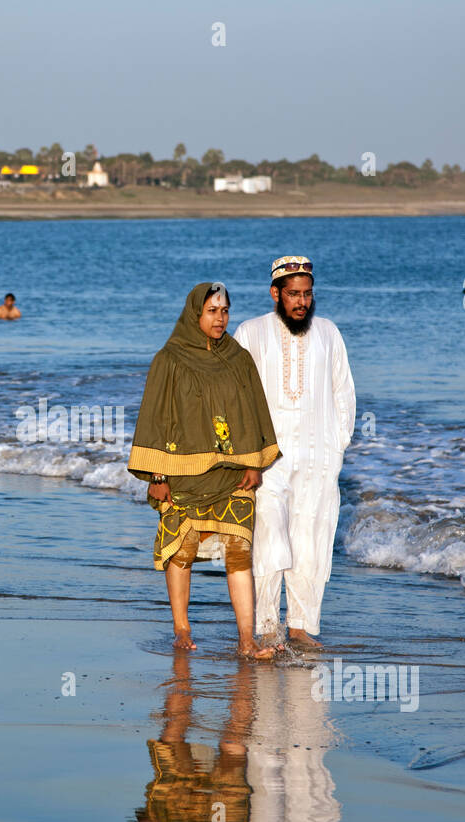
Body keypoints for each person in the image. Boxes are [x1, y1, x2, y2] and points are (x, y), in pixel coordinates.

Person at [128, 282, 281, 659]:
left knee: (239, 551)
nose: (220, 318)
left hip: (233, 474)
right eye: (212, 311)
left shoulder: (237, 357)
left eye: (225, 311)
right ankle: (181, 628)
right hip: (182, 473)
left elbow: (254, 410)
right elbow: (156, 417)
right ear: (195, 313)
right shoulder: (170, 359)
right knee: (182, 551)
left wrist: (254, 463)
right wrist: (158, 476)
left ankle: (246, 641)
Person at [232, 255, 356, 650]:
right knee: (269, 538)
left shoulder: (328, 333)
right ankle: (268, 626)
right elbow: (236, 395)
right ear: (275, 294)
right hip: (268, 457)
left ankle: (301, 625)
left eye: (307, 294)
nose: (301, 302)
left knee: (312, 538)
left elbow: (344, 393)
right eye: (293, 295)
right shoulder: (251, 333)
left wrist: (338, 446)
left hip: (319, 458)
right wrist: (245, 453)